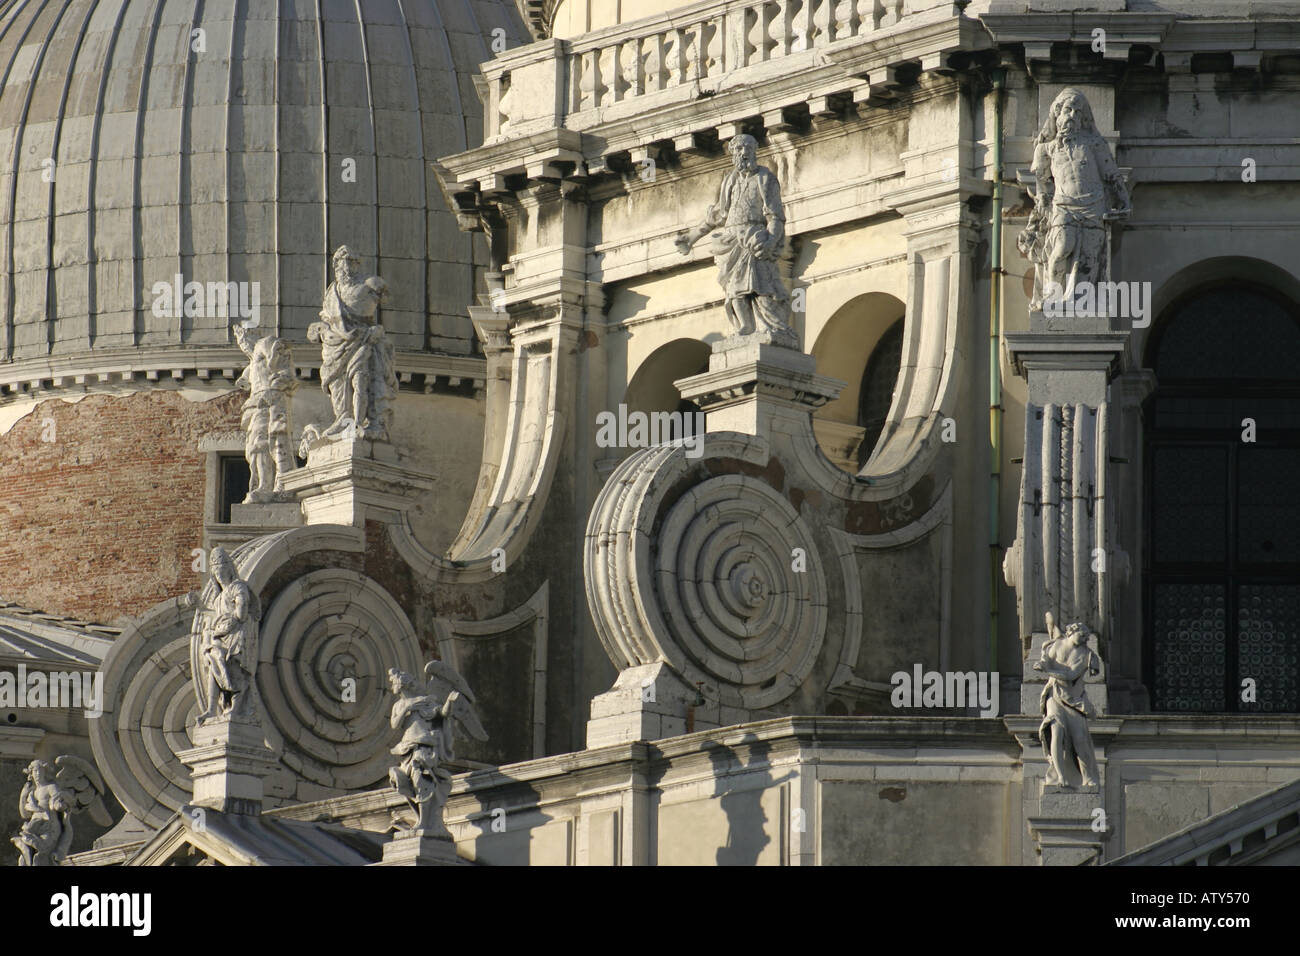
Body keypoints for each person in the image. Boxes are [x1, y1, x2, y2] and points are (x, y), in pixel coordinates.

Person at [676, 134, 798, 346]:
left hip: (753, 238)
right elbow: (718, 215)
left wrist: (770, 240)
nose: (744, 153)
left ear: (754, 152)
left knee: (761, 286)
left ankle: (775, 328)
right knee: (734, 288)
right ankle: (746, 327)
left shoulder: (764, 178)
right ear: (733, 154)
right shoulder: (730, 180)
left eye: (748, 149)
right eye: (739, 149)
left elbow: (775, 215)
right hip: (731, 241)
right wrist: (692, 237)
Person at [1018, 88, 1131, 311]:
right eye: (1068, 110)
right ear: (1057, 115)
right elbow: (1039, 178)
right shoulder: (1046, 148)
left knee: (1089, 259)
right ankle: (1052, 297)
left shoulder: (1094, 144)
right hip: (1063, 205)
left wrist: (1123, 200)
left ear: (1083, 118)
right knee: (1061, 249)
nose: (1072, 115)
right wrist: (1042, 198)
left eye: (1078, 112)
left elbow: (1111, 175)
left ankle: (1080, 303)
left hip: (1094, 205)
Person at [308, 245, 394, 442]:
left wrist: (375, 326)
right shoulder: (332, 291)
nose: (346, 266)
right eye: (341, 262)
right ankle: (343, 417)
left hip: (361, 340)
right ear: (335, 265)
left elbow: (387, 297)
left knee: (360, 380)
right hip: (335, 344)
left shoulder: (370, 283)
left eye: (351, 261)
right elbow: (329, 318)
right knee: (337, 383)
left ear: (357, 264)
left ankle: (357, 420)